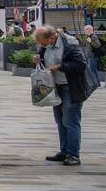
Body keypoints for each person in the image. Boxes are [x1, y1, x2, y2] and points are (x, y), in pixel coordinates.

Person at [34, 26, 90, 167]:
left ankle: (73, 155)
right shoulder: (46, 45)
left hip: (70, 87)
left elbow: (80, 65)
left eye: (43, 43)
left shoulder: (70, 43)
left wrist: (59, 67)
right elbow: (43, 56)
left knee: (70, 121)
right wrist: (37, 59)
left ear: (51, 37)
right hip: (56, 87)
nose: (42, 46)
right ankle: (64, 151)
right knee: (60, 121)